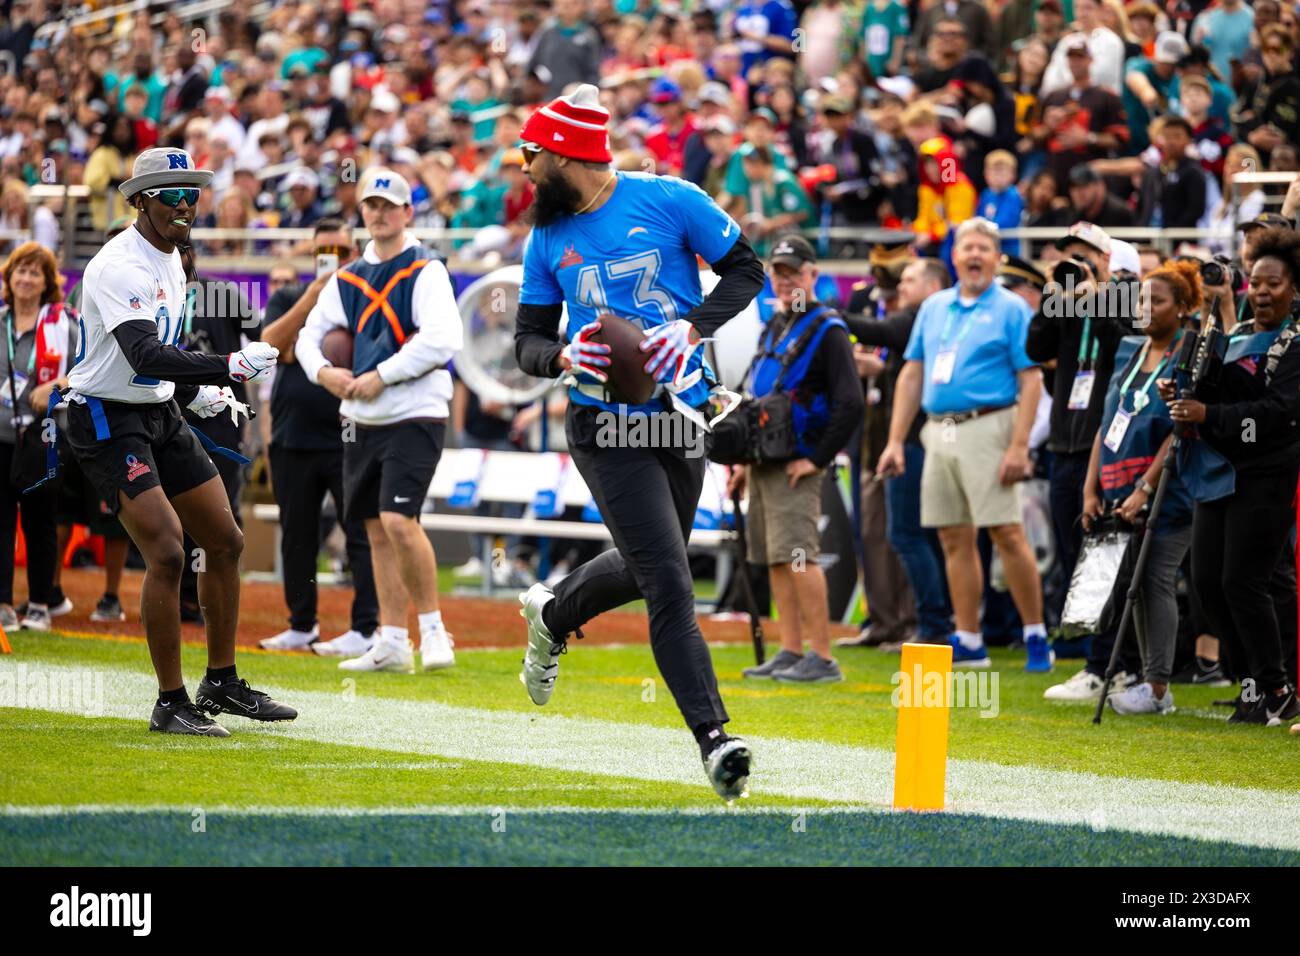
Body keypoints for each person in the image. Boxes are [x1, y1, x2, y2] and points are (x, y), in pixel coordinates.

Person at [512, 84, 765, 801]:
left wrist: (688, 329)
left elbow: (748, 269)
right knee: (669, 581)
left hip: (679, 407)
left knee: (655, 563)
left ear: (566, 155)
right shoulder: (547, 236)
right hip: (602, 420)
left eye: (533, 154)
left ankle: (555, 611)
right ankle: (715, 739)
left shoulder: (671, 197)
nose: (525, 169)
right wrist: (561, 357)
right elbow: (526, 340)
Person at [64, 147, 292, 736]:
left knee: (225, 538)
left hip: (156, 407)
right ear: (140, 199)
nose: (184, 203)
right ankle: (170, 700)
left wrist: (191, 396)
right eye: (171, 193)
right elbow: (142, 351)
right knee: (166, 550)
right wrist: (229, 366)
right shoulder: (121, 264)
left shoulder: (171, 256)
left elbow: (151, 357)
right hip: (107, 415)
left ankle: (221, 680)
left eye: (191, 192)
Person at [295, 168, 463, 675]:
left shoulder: (426, 268)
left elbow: (442, 340)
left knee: (398, 520)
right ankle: (391, 639)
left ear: (408, 212)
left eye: (390, 205)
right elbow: (307, 337)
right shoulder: (346, 277)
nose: (380, 213)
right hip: (361, 416)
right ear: (362, 211)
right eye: (372, 205)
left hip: (416, 411)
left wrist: (380, 376)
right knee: (371, 527)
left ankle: (434, 630)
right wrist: (325, 373)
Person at [878, 218, 1051, 671]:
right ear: (954, 256)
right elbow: (911, 373)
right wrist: (895, 441)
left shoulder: (1013, 308)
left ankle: (1035, 633)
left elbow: (1031, 381)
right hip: (939, 428)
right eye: (967, 248)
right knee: (953, 534)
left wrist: (1019, 446)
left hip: (989, 424)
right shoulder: (934, 307)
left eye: (984, 249)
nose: (975, 256)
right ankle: (969, 638)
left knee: (1006, 530)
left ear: (997, 258)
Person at [1162, 227, 1300, 726]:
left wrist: (1210, 417)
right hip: (1218, 472)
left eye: (1274, 284)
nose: (1262, 293)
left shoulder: (1295, 345)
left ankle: (1278, 687)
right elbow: (1217, 397)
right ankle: (1248, 688)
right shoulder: (1235, 334)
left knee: (1244, 581)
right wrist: (1180, 397)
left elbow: (1276, 413)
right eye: (1256, 285)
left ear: (1294, 290)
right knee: (1207, 584)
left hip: (1266, 474)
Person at [1047, 261, 1199, 706]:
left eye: (1159, 301)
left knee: (1154, 580)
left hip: (1168, 492)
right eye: (1142, 300)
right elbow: (1106, 423)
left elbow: (1179, 426)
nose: (1147, 308)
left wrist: (1145, 489)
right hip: (1116, 487)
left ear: (1184, 308)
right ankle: (1145, 679)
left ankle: (1157, 686)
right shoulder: (1130, 350)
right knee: (1129, 582)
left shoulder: (1186, 356)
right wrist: (1091, 489)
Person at [728, 236, 863, 683]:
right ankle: (789, 648)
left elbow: (850, 403)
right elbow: (762, 400)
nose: (786, 281)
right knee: (776, 558)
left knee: (799, 555)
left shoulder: (829, 328)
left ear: (812, 276)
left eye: (794, 272)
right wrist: (745, 463)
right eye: (779, 273)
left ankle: (822, 657)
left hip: (796, 463)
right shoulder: (777, 324)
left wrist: (817, 459)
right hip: (766, 460)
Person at [257, 220, 379, 657]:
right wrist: (311, 298)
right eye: (326, 250)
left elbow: (359, 354)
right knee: (297, 534)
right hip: (294, 435)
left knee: (360, 531)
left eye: (343, 250)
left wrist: (300, 349)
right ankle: (301, 624)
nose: (336, 258)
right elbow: (271, 347)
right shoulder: (290, 295)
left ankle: (366, 627)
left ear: (355, 253)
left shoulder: (365, 300)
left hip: (350, 433)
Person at [843, 257, 956, 652]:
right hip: (888, 441)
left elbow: (882, 331)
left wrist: (825, 314)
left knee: (910, 534)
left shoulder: (923, 318)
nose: (900, 288)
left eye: (909, 279)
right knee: (886, 534)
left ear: (934, 284)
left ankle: (928, 624)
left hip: (916, 442)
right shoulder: (917, 319)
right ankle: (894, 621)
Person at [1026, 222, 1132, 632]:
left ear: (1106, 260)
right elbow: (1035, 349)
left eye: (1084, 257)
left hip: (1104, 444)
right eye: (1070, 257)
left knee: (1105, 552)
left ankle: (1112, 658)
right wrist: (1053, 300)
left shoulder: (1127, 295)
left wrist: (1098, 300)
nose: (1077, 266)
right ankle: (1088, 649)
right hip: (1065, 442)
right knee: (1072, 551)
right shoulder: (1064, 302)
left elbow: (1127, 348)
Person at [0, 242, 74, 631]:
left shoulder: (63, 323)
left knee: (40, 522)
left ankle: (41, 604)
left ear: (47, 281)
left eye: (34, 272)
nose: (26, 278)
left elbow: (88, 370)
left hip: (43, 433)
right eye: (20, 271)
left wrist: (57, 386)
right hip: (0, 433)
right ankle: (3, 605)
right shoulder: (0, 321)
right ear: (9, 278)